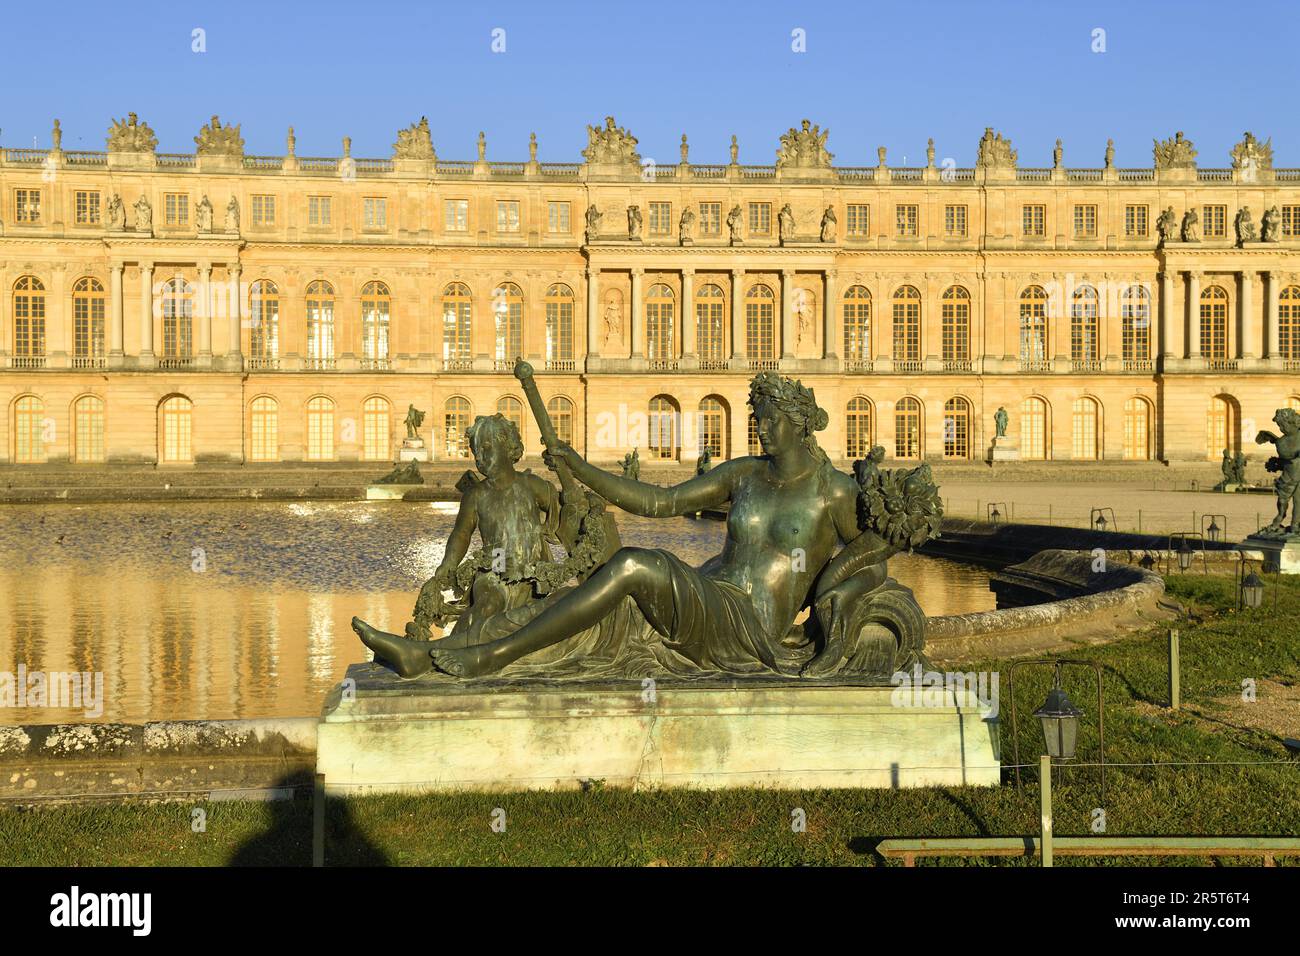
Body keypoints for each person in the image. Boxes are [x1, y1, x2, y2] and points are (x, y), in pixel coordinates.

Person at [355, 373, 902, 679]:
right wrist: (580, 466)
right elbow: (657, 501)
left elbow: (883, 545)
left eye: (770, 418)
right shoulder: (744, 474)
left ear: (800, 421)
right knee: (587, 604)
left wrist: (840, 598)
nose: (760, 427)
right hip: (709, 594)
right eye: (757, 417)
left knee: (635, 564)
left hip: (746, 626)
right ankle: (431, 655)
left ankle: (491, 657)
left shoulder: (835, 492)